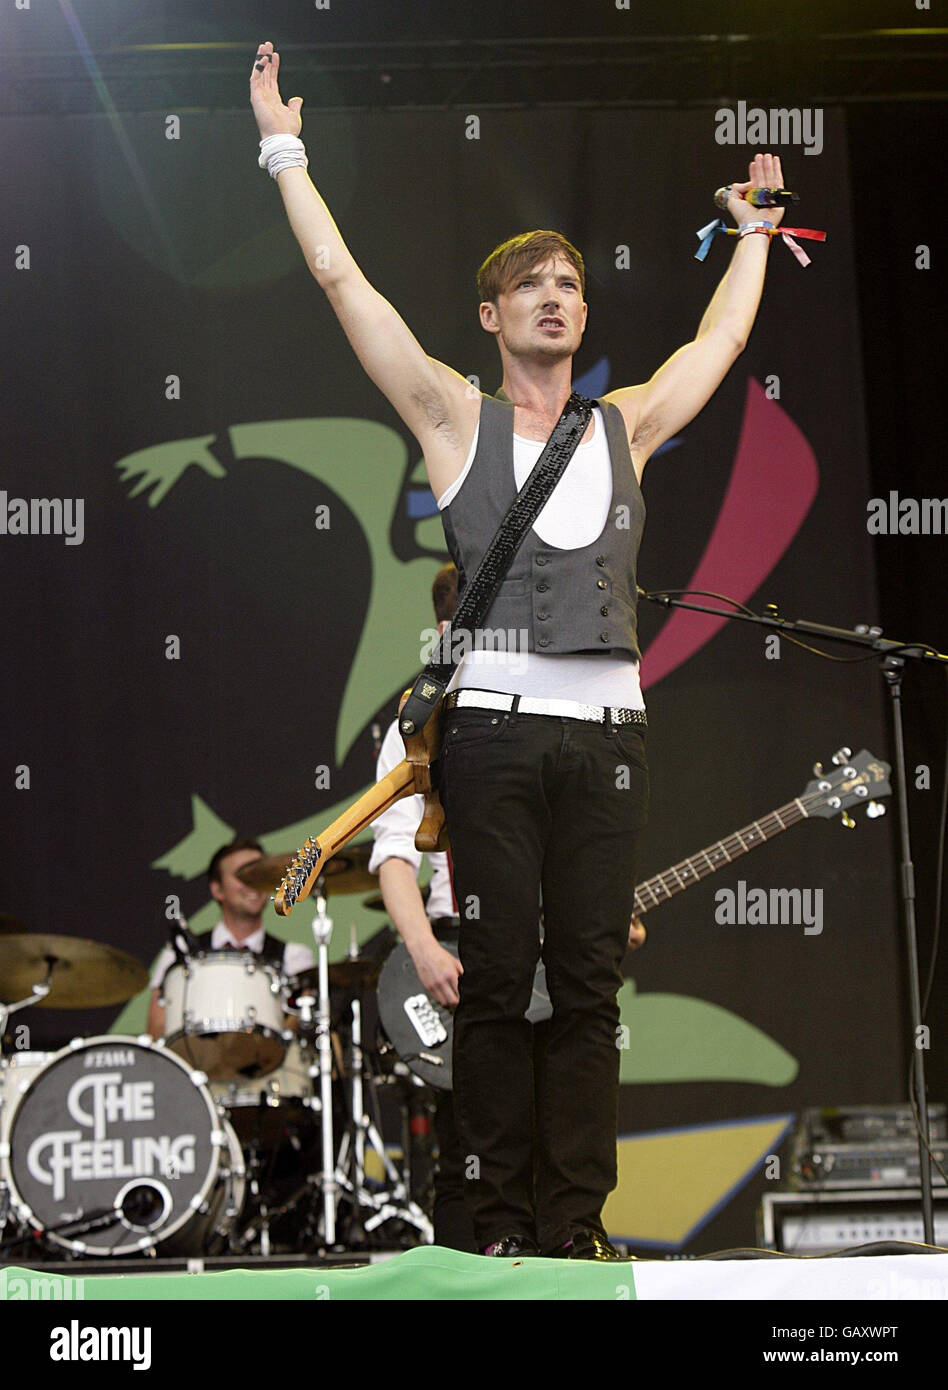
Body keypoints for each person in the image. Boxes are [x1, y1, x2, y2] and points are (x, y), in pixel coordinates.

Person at [250, 40, 784, 1258]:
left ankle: (574, 1225)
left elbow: (715, 350)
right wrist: (284, 147)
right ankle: (491, 1226)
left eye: (572, 284)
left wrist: (755, 234)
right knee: (499, 985)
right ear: (491, 316)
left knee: (588, 995)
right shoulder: (451, 413)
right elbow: (346, 288)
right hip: (489, 728)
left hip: (607, 736)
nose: (556, 295)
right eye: (531, 285)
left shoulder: (628, 426)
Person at [147, 837, 314, 1039]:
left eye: (258, 874)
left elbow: (298, 1038)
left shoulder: (295, 958)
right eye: (241, 875)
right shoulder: (180, 949)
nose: (252, 883)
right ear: (217, 889)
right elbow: (156, 1029)